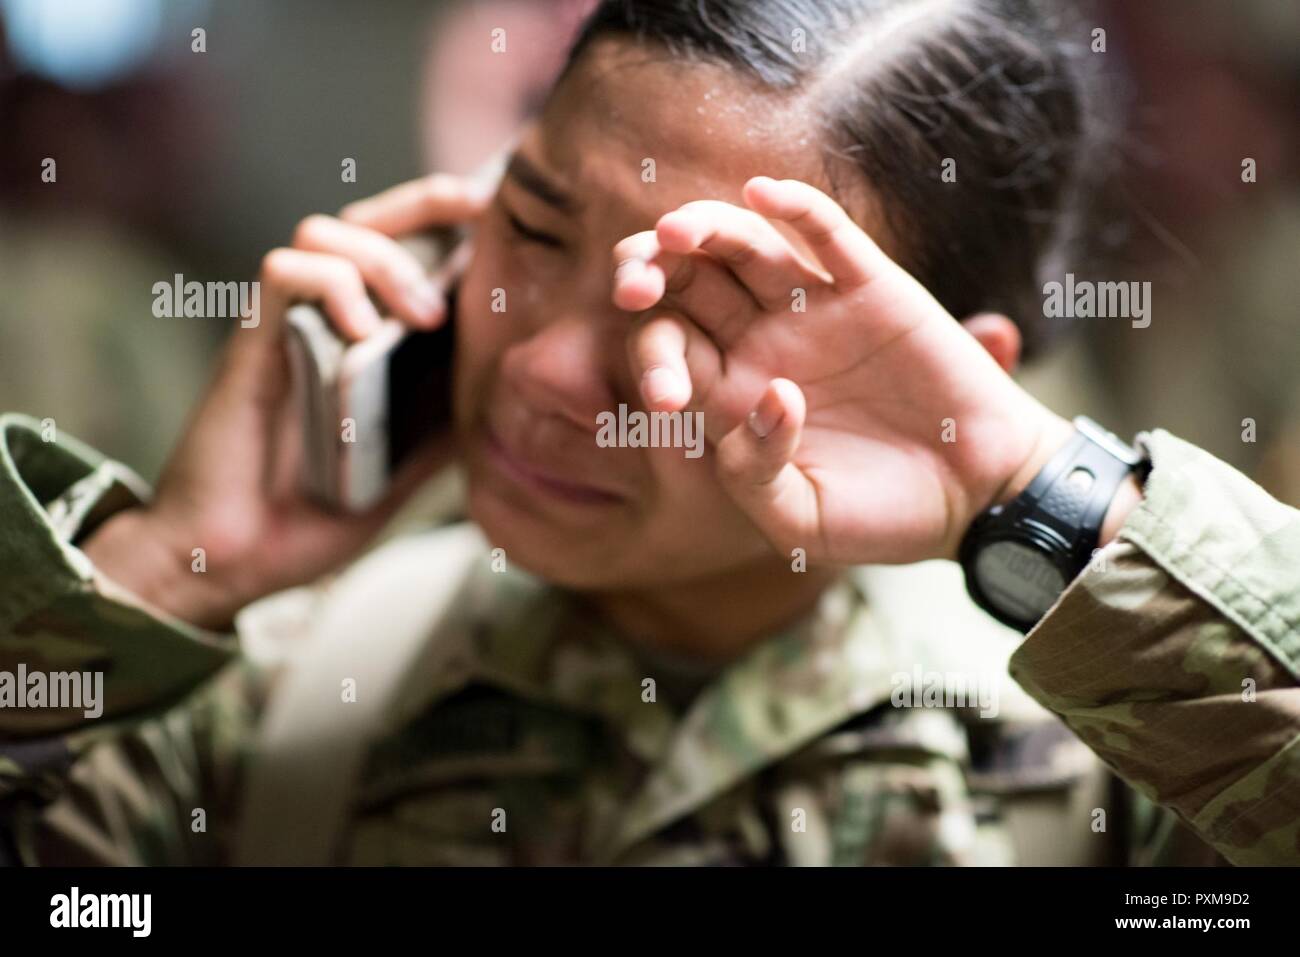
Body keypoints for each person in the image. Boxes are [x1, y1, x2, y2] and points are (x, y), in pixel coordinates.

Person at [1, 0, 1296, 866]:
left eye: (707, 312)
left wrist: (1041, 500)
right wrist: (168, 567)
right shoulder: (265, 701)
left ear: (948, 381)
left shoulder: (1116, 768)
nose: (550, 371)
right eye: (535, 230)